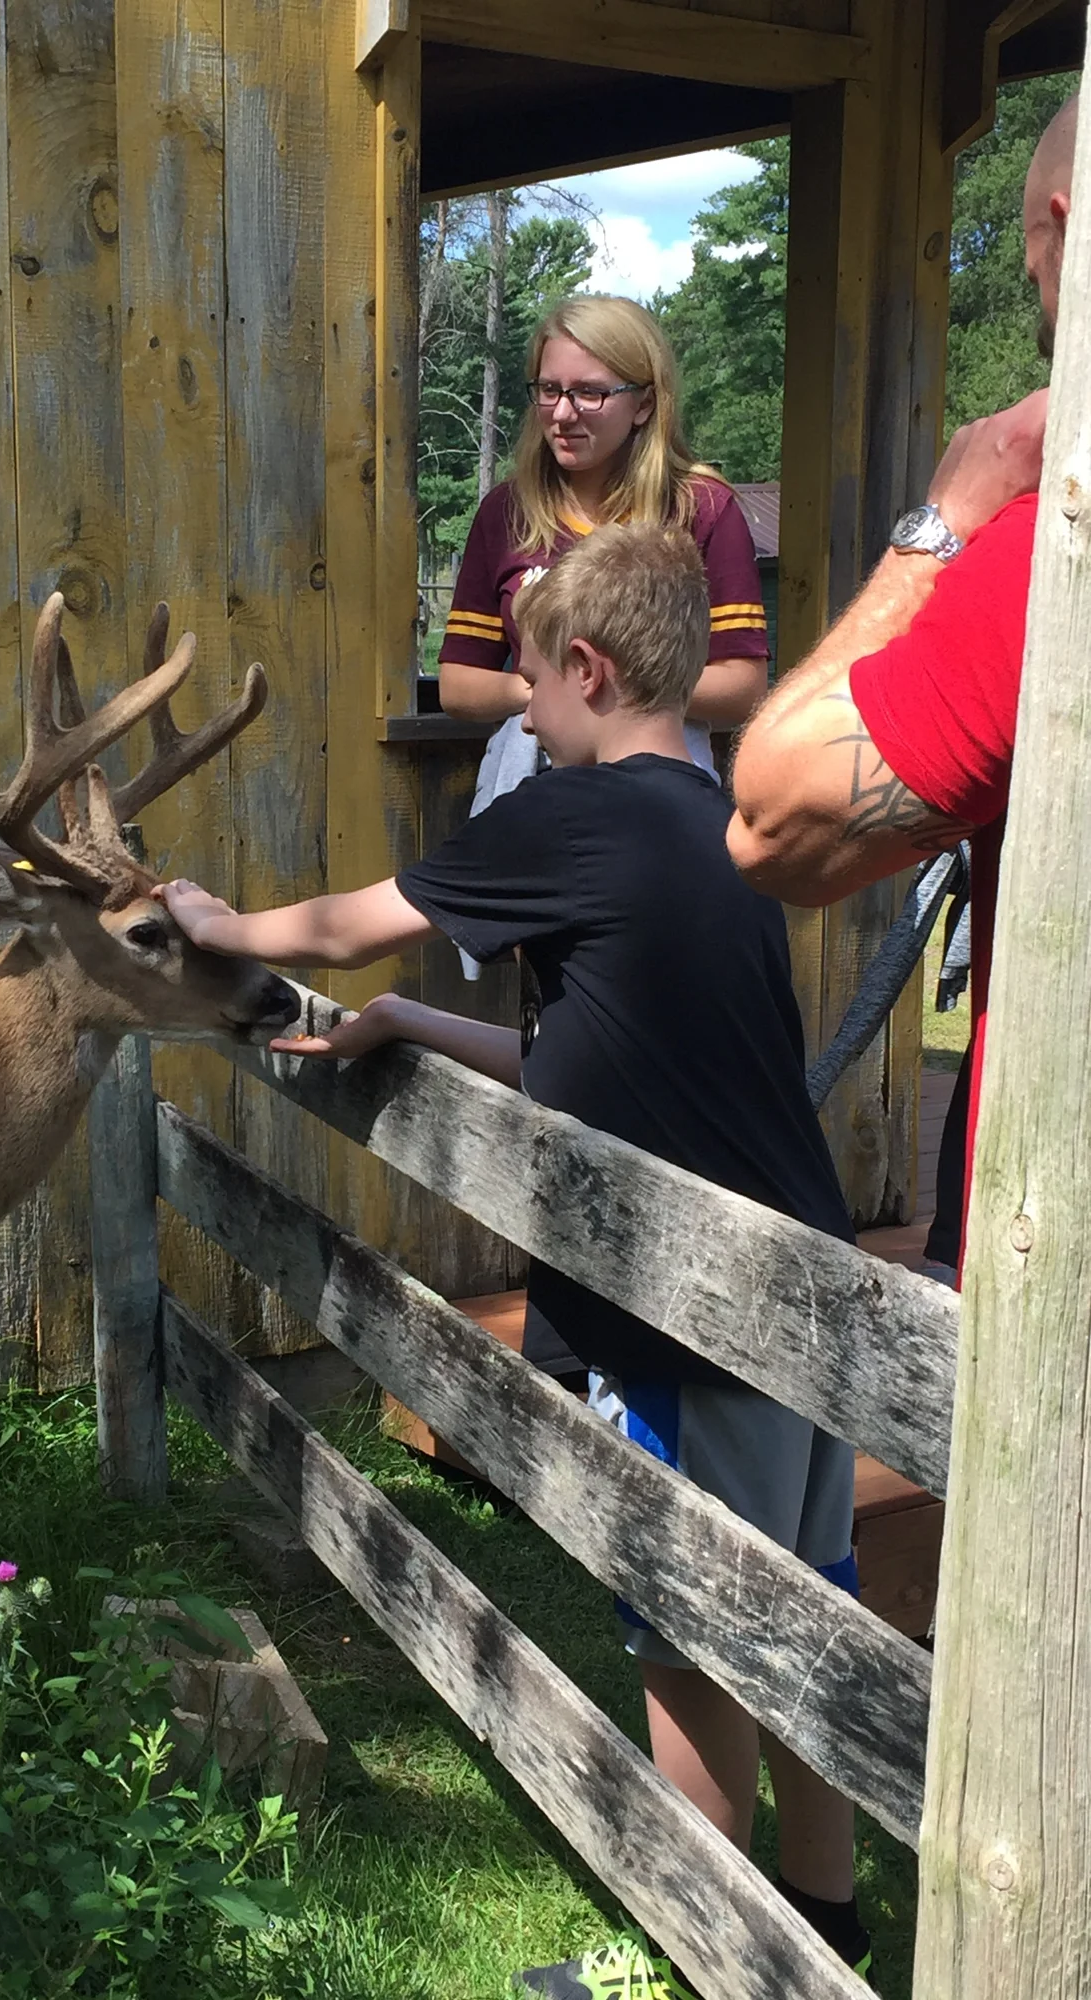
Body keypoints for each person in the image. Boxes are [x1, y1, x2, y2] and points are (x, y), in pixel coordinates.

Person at [162, 523, 876, 1998]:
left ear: (588, 669)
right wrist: (412, 1026)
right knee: (813, 1599)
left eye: (531, 686)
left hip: (694, 1304)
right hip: (814, 1288)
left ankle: (697, 1940)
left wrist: (218, 924)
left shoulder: (574, 814)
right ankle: (827, 1909)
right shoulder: (716, 820)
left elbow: (353, 924)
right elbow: (582, 1056)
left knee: (692, 1628)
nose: (521, 719)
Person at [726, 91, 1077, 1257]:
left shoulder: (1048, 556)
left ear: (1066, 231)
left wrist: (945, 518)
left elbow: (775, 823)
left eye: (1031, 268)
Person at [438, 294, 770, 789]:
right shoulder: (508, 511)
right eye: (550, 389)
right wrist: (550, 694)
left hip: (658, 776)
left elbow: (743, 685)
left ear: (644, 403)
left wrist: (611, 694)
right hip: (528, 772)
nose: (563, 414)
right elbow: (458, 685)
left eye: (590, 393)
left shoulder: (700, 508)